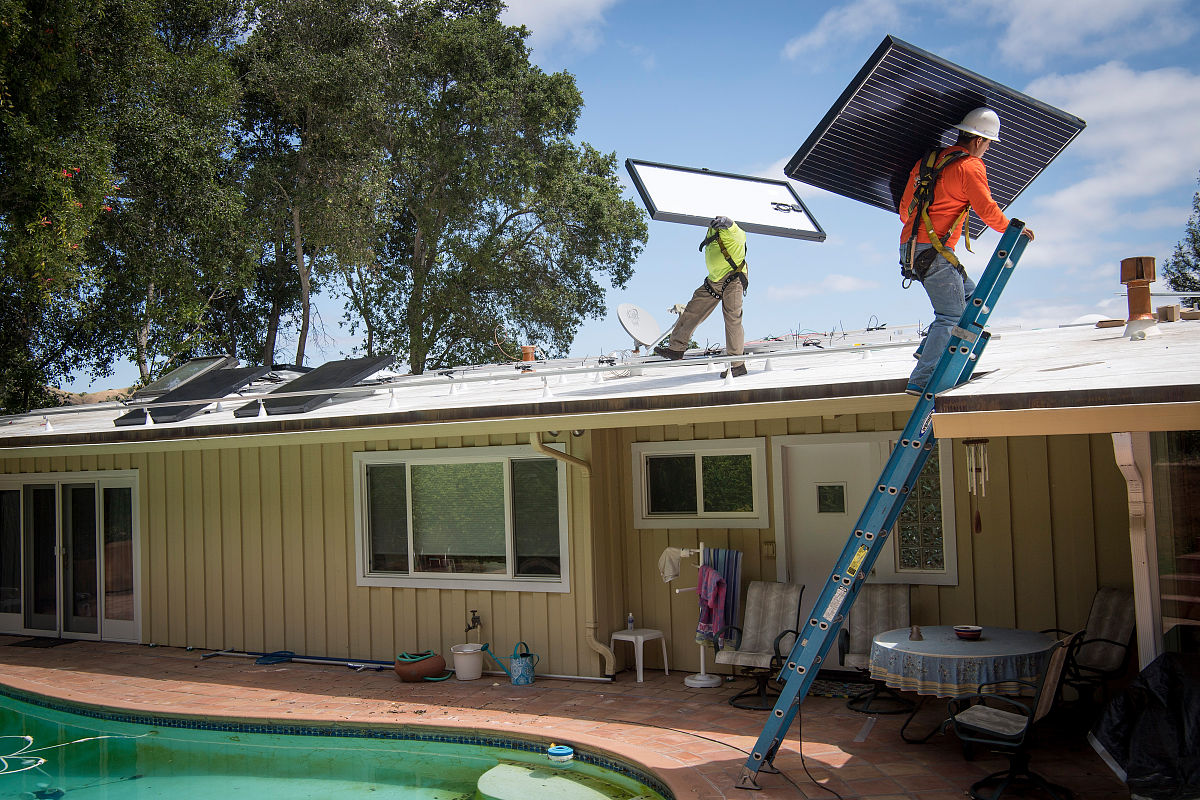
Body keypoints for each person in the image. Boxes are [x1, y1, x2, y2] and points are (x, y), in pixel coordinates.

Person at [899, 107, 1035, 394]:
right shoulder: (970, 166)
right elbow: (987, 209)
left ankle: (928, 350)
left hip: (912, 246)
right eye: (988, 144)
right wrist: (1012, 230)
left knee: (972, 298)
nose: (986, 150)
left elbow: (904, 211)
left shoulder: (932, 160)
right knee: (950, 315)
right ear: (979, 141)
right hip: (933, 251)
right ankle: (921, 379)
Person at [653, 215, 748, 378]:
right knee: (692, 310)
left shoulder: (731, 231)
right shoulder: (713, 228)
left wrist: (728, 223)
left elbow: (739, 234)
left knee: (732, 318)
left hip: (733, 278)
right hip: (714, 279)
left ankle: (737, 365)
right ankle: (676, 349)